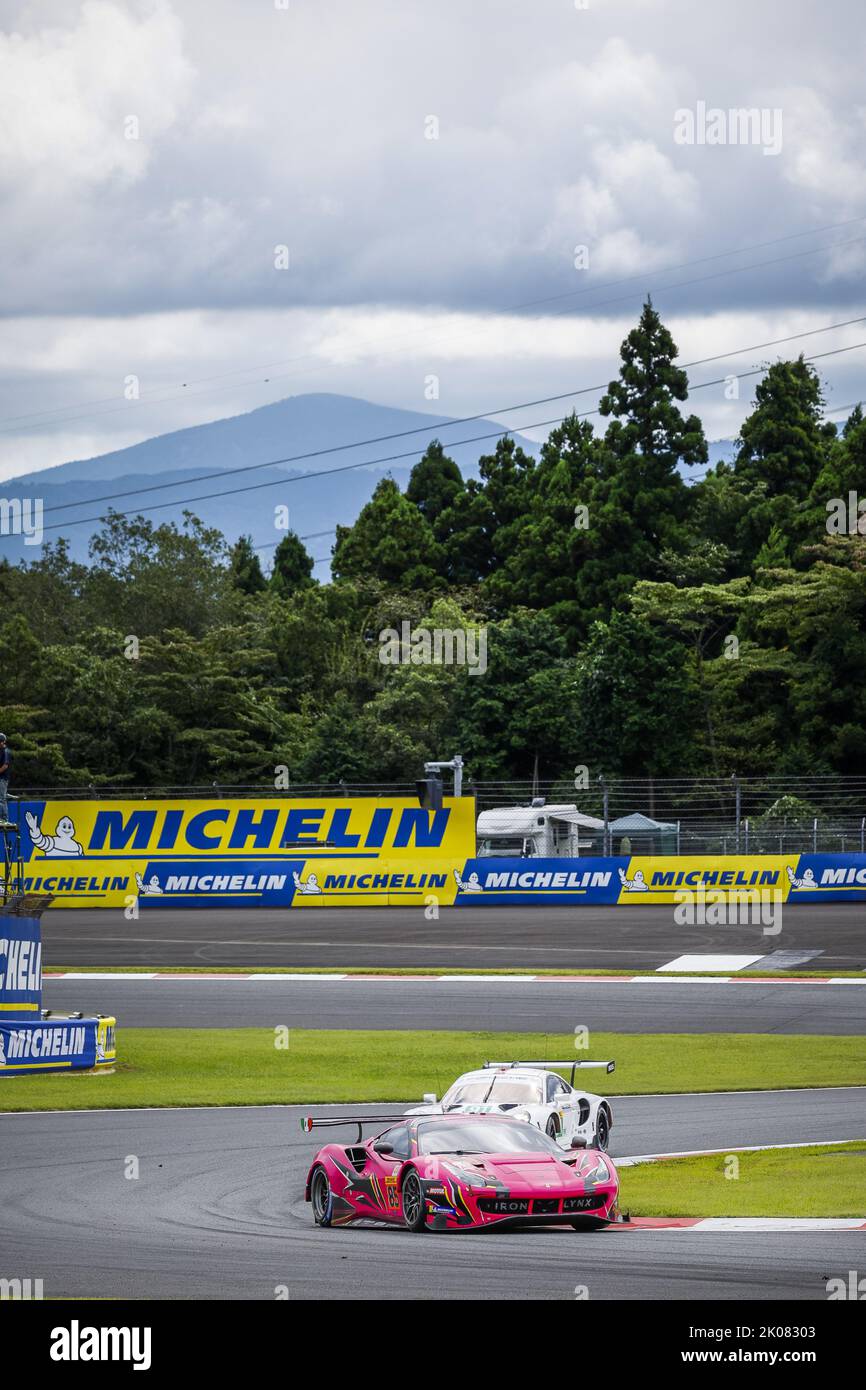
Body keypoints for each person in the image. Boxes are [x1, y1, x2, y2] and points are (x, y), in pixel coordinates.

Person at [0, 733, 12, 827]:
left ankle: (4, 819)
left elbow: (5, 765)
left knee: (2, 798)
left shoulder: (6, 751)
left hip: (3, 779)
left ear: (3, 742)